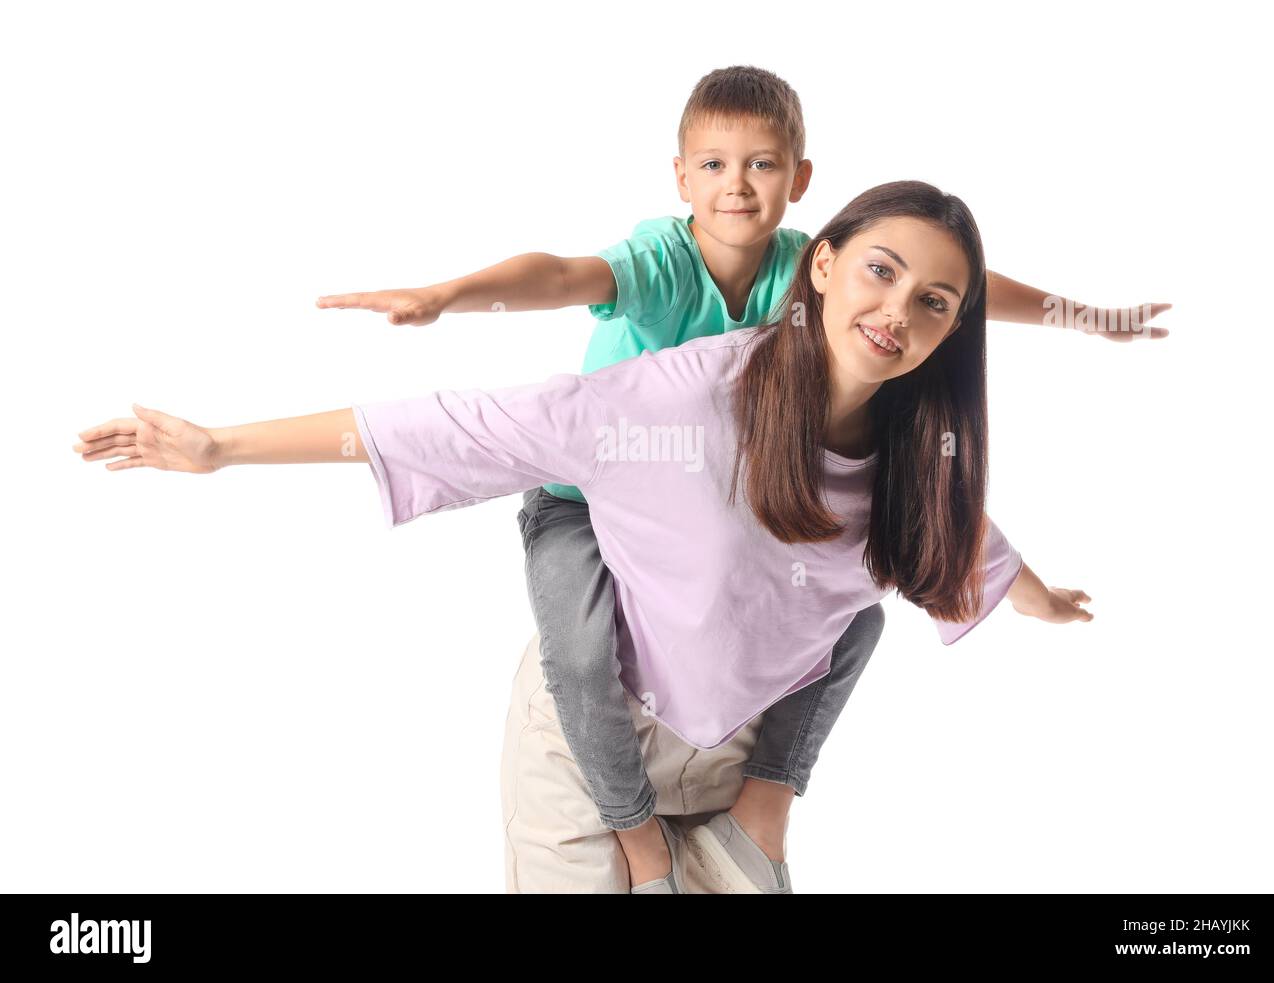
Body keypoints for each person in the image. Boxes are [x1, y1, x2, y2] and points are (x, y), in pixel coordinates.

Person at [73, 180, 1096, 894]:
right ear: (821, 263)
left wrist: (1039, 597)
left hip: (741, 750)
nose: (896, 311)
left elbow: (962, 537)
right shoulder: (685, 399)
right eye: (878, 270)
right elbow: (467, 423)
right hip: (595, 725)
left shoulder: (923, 449)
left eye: (933, 302)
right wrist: (220, 446)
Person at [312, 66, 1161, 892]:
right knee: (579, 648)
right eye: (714, 166)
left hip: (705, 540)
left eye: (762, 165)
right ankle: (635, 833)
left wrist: (1083, 317)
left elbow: (951, 286)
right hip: (582, 500)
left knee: (857, 614)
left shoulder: (810, 266)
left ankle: (766, 800)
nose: (738, 187)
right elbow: (565, 275)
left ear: (801, 181)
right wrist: (451, 294)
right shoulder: (662, 262)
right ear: (680, 176)